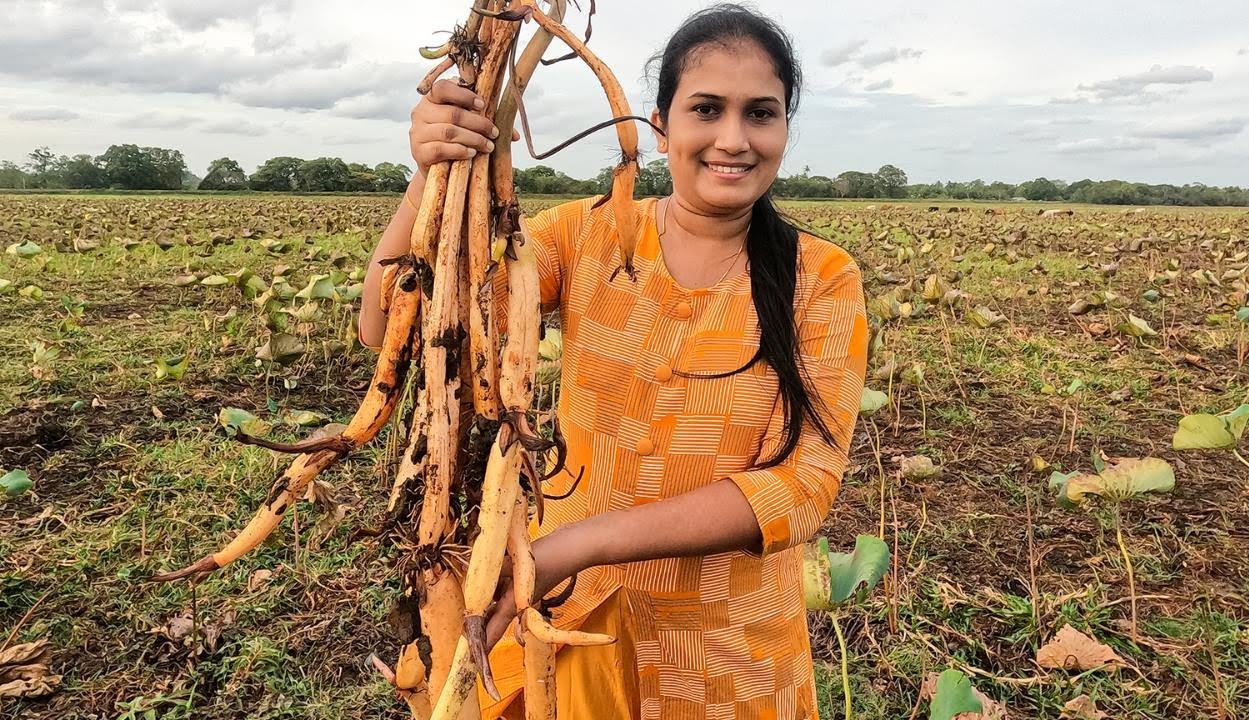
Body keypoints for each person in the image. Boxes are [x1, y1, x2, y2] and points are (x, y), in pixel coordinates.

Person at [359, 5, 868, 718]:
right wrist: (431, 173)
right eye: (706, 109)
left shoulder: (823, 278)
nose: (733, 138)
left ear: (785, 129)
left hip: (726, 658)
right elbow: (396, 330)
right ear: (660, 127)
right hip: (562, 627)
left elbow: (804, 487)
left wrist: (577, 545)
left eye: (760, 114)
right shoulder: (585, 235)